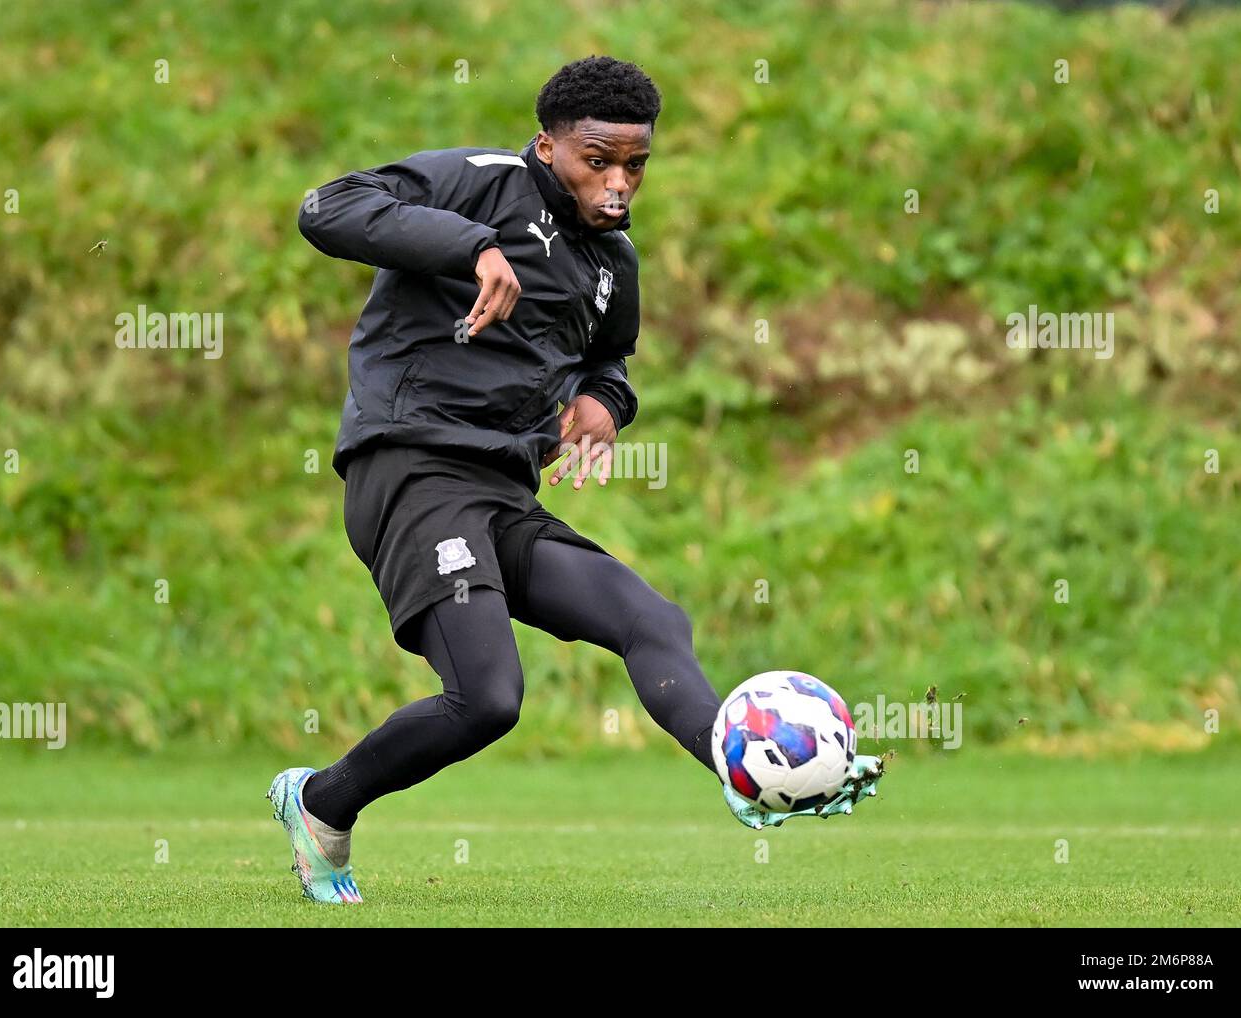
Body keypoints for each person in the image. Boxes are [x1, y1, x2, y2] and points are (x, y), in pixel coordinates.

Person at [267, 55, 883, 905]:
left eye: (636, 164)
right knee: (486, 698)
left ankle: (739, 767)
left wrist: (604, 402)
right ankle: (320, 804)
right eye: (599, 160)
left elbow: (610, 360)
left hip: (502, 494)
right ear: (548, 144)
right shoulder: (478, 184)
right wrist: (473, 246)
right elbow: (326, 208)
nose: (620, 183)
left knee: (649, 618)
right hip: (411, 472)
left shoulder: (612, 263)